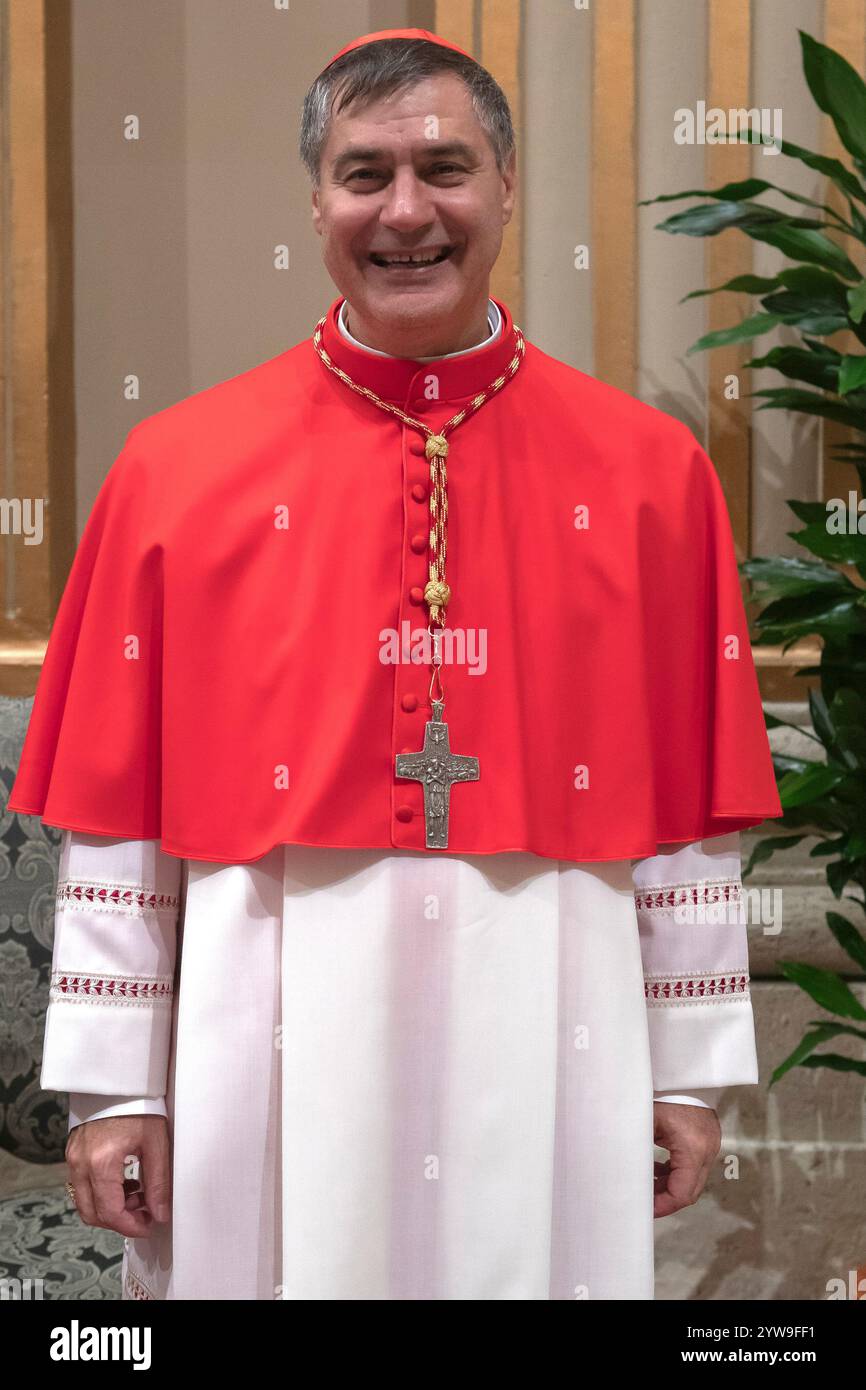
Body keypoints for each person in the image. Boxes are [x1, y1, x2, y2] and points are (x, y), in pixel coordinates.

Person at [8, 28, 782, 1300]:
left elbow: (687, 809)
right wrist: (118, 1086)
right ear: (315, 200)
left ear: (508, 187)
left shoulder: (647, 478)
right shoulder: (177, 472)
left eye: (445, 168)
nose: (407, 210)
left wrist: (683, 1071)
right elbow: (118, 813)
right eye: (365, 174)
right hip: (260, 1014)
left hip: (554, 1010)